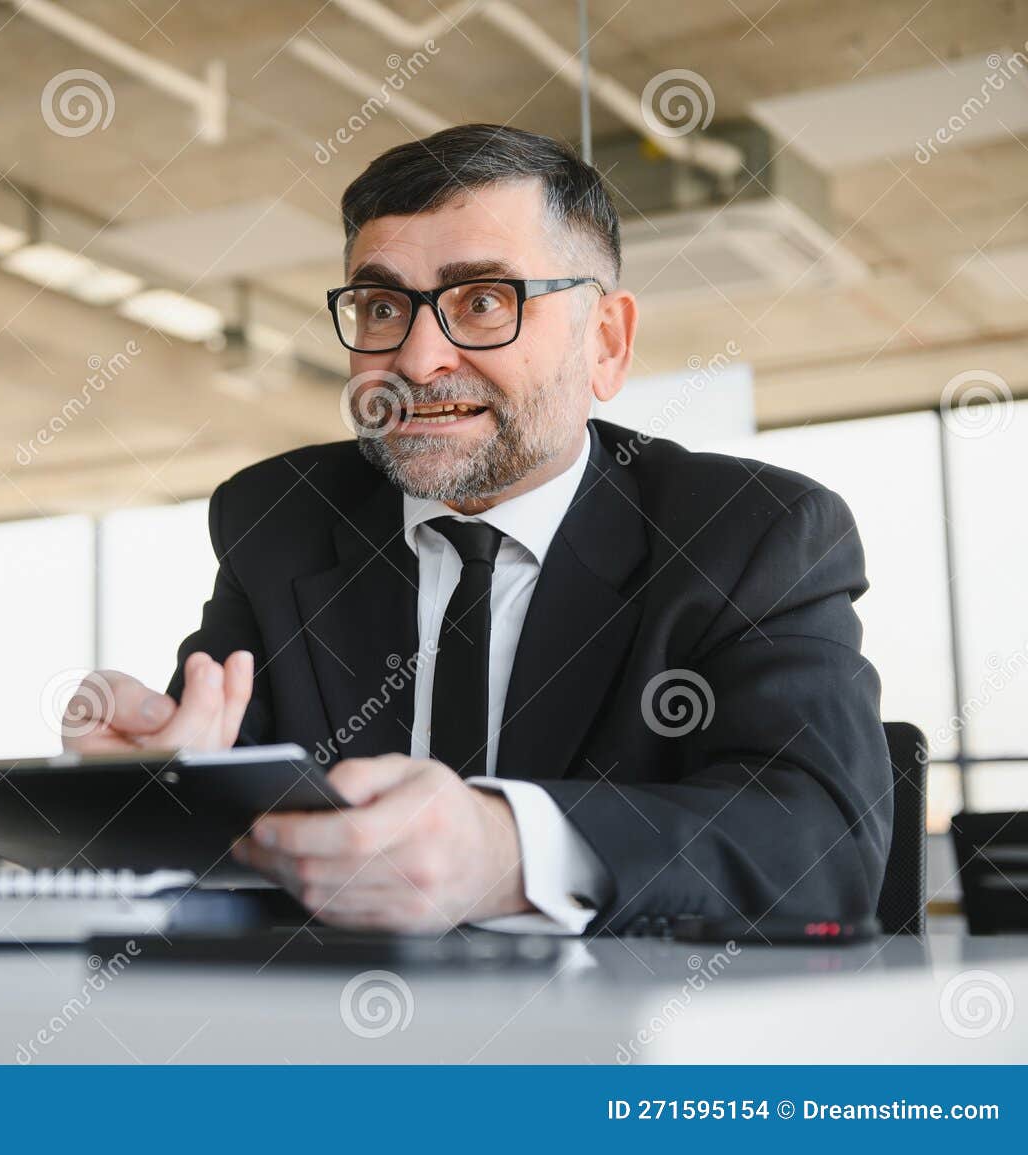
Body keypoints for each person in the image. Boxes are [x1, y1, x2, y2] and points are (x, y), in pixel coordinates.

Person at [62, 124, 892, 936]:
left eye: (485, 300)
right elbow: (230, 805)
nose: (420, 361)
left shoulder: (751, 533)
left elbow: (824, 842)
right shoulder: (280, 519)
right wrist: (156, 789)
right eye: (383, 305)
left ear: (605, 342)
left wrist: (504, 852)